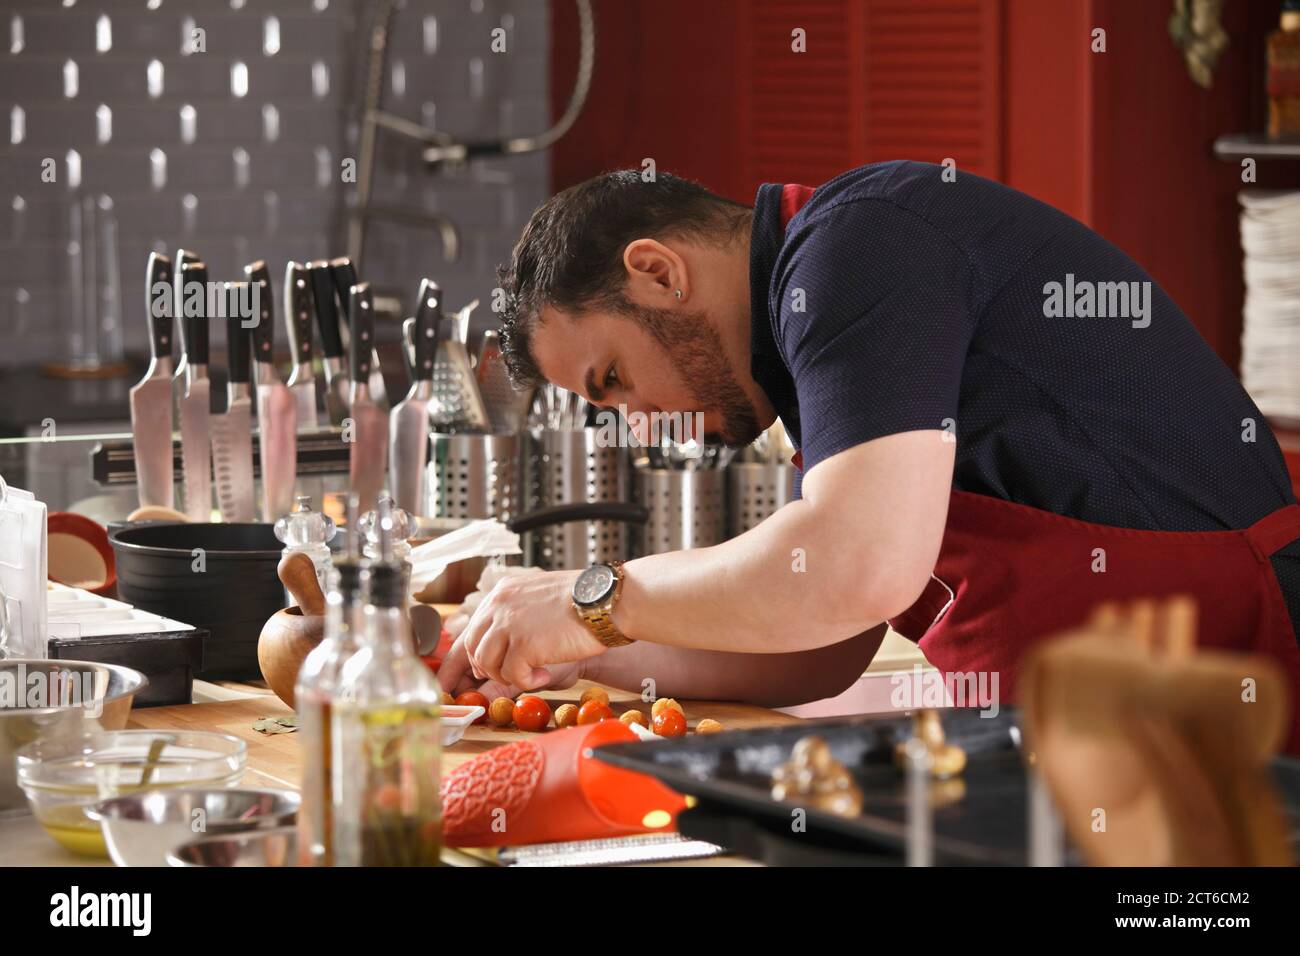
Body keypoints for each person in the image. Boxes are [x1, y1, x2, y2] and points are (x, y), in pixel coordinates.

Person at [437, 162, 1300, 748]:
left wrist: (594, 599)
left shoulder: (856, 248)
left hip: (1222, 693)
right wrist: (577, 653)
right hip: (1083, 731)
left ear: (658, 272)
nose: (633, 420)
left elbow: (856, 571)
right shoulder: (805, 315)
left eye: (613, 377)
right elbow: (825, 640)